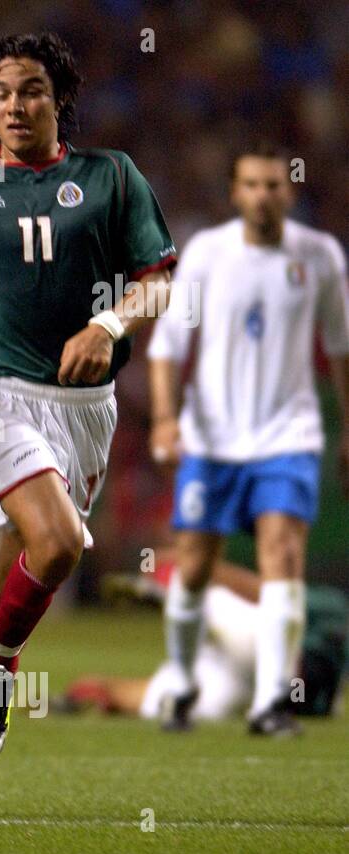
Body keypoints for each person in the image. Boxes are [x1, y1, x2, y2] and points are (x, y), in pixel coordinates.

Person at [0, 32, 176, 814]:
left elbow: (161, 278)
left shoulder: (111, 177)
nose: (16, 106)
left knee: (14, 581)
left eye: (31, 91)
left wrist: (109, 328)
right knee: (58, 546)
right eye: (1, 93)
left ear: (60, 99)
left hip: (87, 412)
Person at [146, 144, 349, 735]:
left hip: (289, 435)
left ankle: (269, 703)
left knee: (283, 555)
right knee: (193, 566)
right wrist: (164, 420)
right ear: (235, 192)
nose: (264, 195)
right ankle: (182, 680)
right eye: (252, 185)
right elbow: (166, 348)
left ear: (291, 191)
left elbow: (341, 350)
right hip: (212, 441)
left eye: (275, 185)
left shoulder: (320, 257)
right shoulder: (208, 254)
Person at [68, 561, 347, 723]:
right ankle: (91, 695)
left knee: (225, 609)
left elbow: (267, 594)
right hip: (251, 680)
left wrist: (205, 565)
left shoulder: (333, 605)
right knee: (177, 702)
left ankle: (174, 588)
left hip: (279, 665)